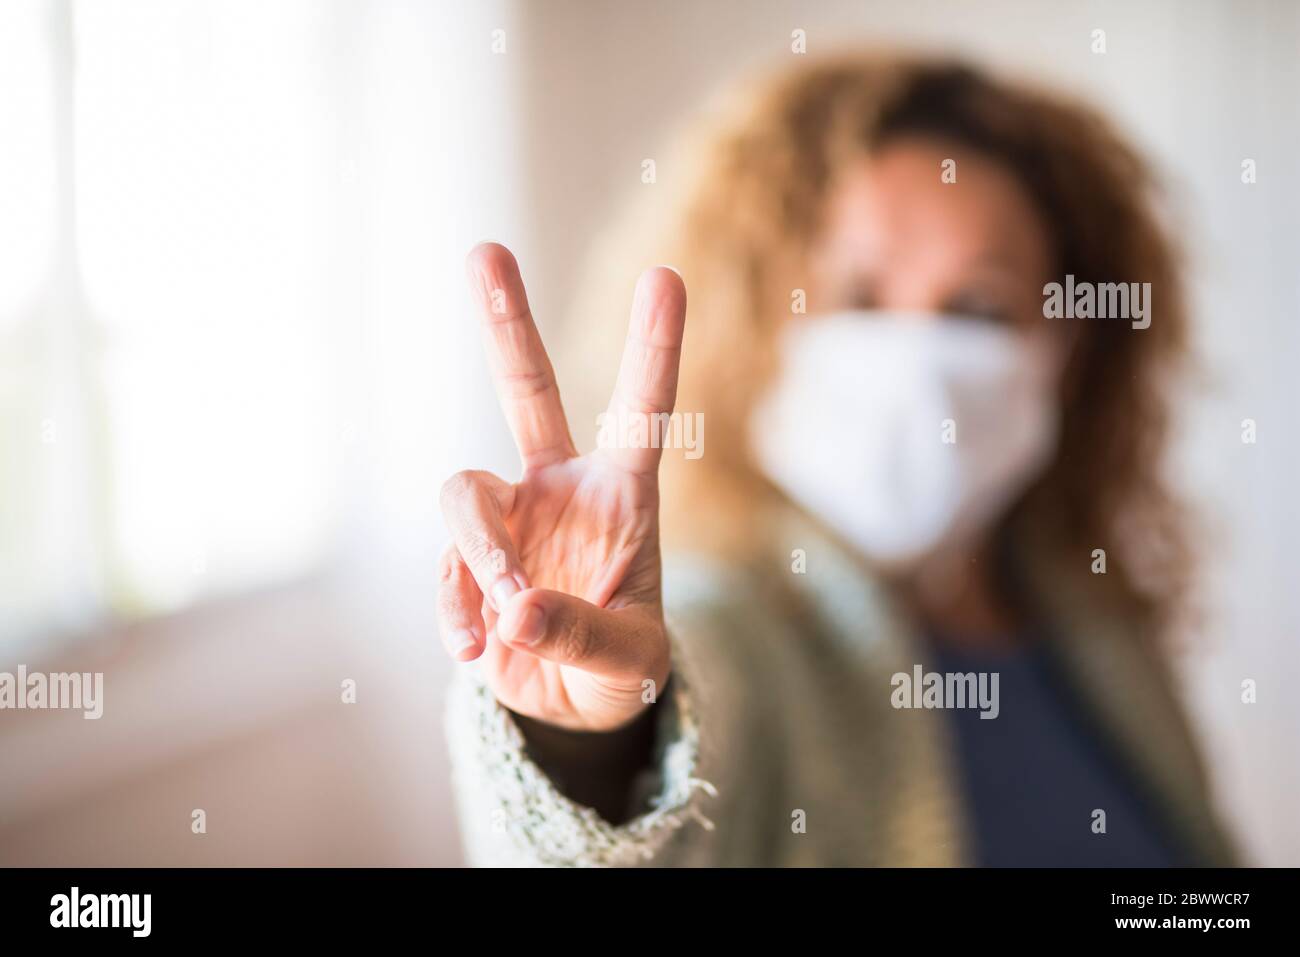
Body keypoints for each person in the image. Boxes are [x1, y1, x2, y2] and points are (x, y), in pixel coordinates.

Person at [436, 53, 1237, 866]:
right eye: (859, 297)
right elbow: (672, 778)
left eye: (978, 307)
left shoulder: (1092, 619)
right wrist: (594, 741)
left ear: (1064, 348)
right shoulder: (735, 628)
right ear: (755, 324)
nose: (917, 357)